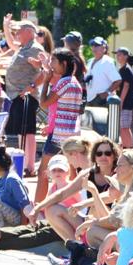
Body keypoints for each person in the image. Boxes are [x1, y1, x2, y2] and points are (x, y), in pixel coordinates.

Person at [33, 48, 84, 203]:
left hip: (59, 135)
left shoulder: (64, 82)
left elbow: (44, 103)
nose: (52, 64)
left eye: (54, 61)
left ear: (63, 63)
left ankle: (38, 209)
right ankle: (76, 205)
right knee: (72, 172)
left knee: (43, 171)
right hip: (73, 134)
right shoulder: (75, 83)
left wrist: (47, 81)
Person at [4, 19, 45, 177]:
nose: (17, 35)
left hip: (26, 96)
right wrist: (6, 26)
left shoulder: (35, 48)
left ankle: (29, 166)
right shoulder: (23, 48)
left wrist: (32, 87)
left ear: (29, 32)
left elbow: (44, 71)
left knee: (28, 131)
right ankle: (22, 163)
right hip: (16, 95)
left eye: (19, 31)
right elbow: (10, 41)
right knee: (22, 131)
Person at [0, 146, 32, 227]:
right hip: (9, 215)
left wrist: (23, 226)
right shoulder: (0, 179)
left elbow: (24, 203)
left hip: (19, 218)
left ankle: (0, 232)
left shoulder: (11, 179)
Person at [84, 36, 121, 106]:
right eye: (92, 45)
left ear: (104, 48)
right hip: (89, 99)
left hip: (101, 100)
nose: (94, 47)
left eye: (97, 45)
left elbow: (118, 80)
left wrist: (107, 93)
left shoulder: (108, 61)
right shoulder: (89, 61)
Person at [115, 47, 133, 148]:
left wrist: (121, 102)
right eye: (117, 54)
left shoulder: (126, 69)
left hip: (126, 104)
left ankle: (129, 148)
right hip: (126, 103)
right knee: (123, 127)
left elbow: (126, 86)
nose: (117, 57)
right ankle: (127, 146)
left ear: (126, 56)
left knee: (124, 128)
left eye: (120, 54)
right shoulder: (123, 69)